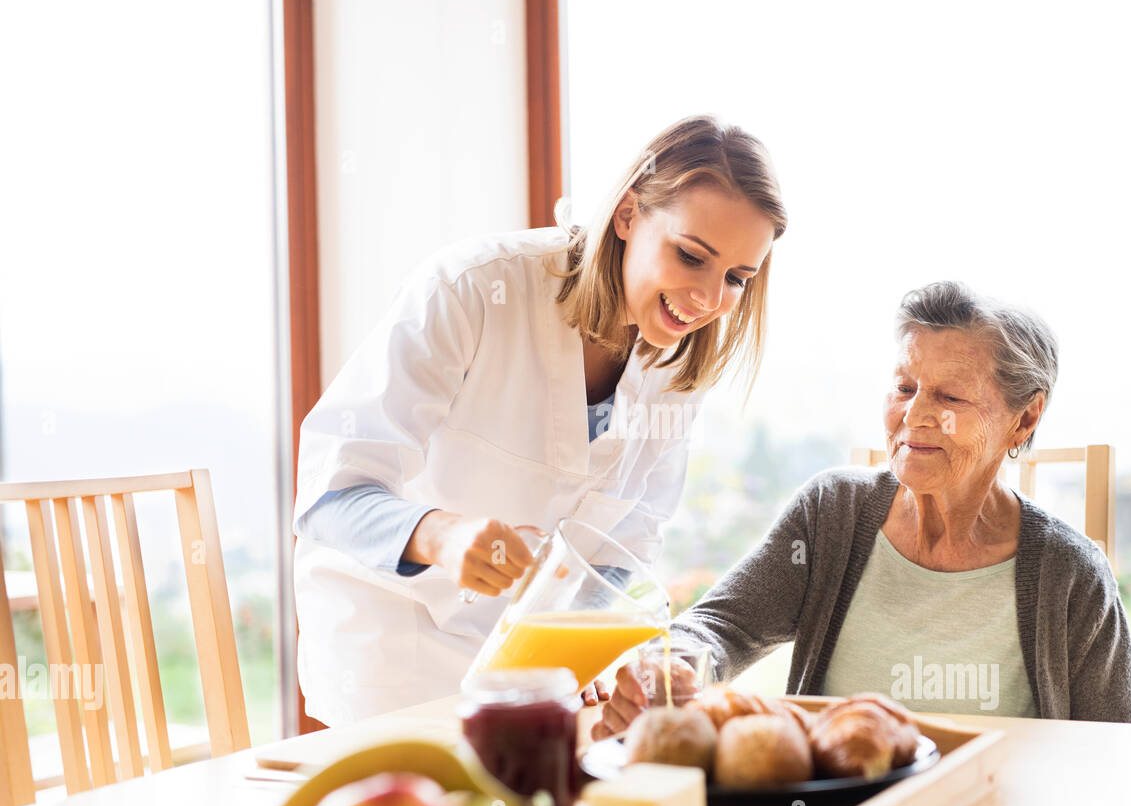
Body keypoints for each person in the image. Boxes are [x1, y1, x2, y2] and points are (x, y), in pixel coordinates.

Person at [292, 115, 786, 726]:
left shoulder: (678, 362)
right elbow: (328, 493)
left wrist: (595, 645)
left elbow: (629, 535)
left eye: (738, 278)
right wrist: (441, 535)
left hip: (530, 673)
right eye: (691, 257)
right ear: (629, 214)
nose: (709, 300)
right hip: (392, 651)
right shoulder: (471, 290)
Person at [592, 281, 1131, 738]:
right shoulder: (832, 513)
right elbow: (722, 625)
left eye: (949, 397)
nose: (913, 416)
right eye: (905, 387)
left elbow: (1127, 752)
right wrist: (675, 663)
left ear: (1025, 419)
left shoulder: (1069, 574)